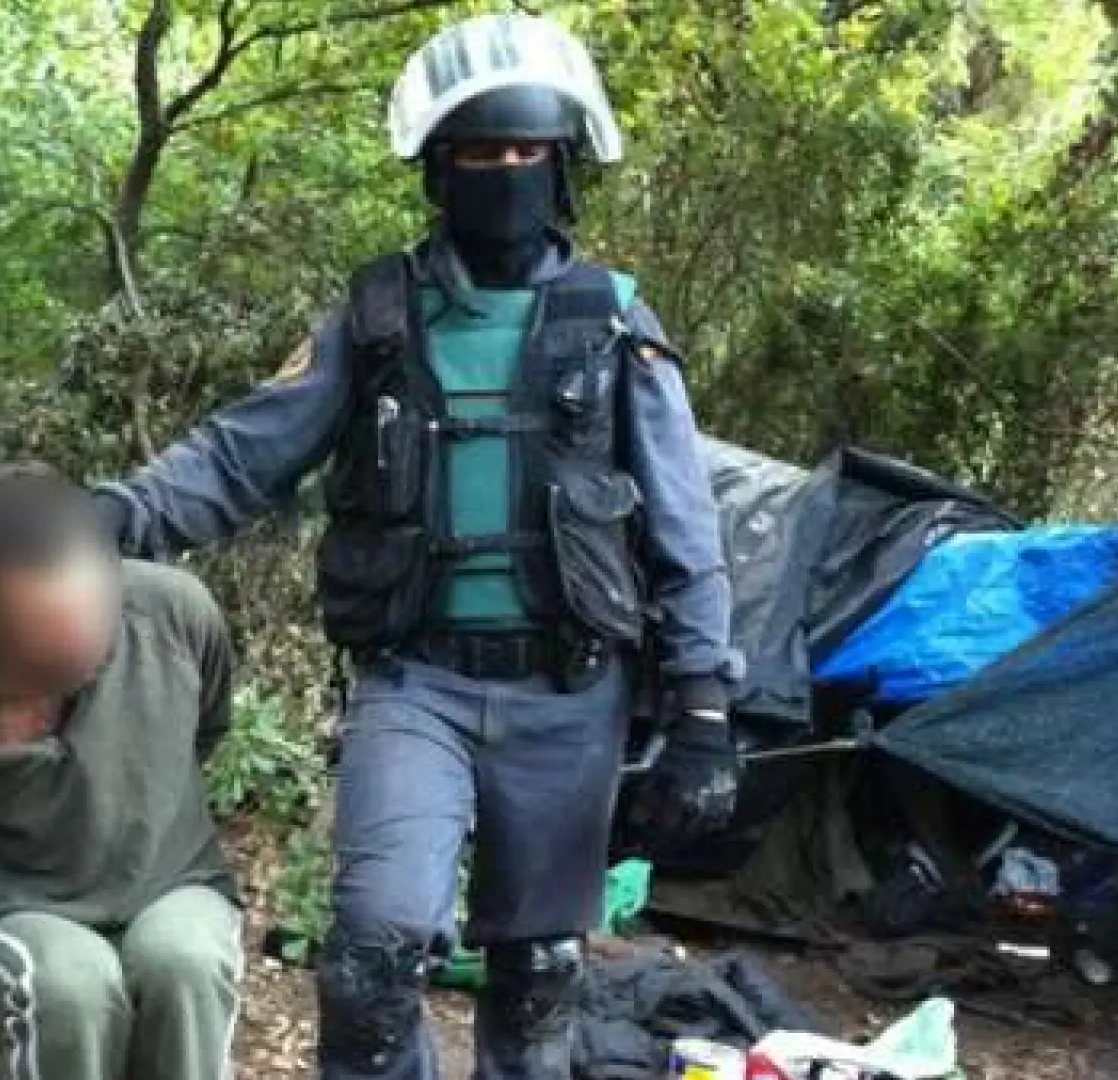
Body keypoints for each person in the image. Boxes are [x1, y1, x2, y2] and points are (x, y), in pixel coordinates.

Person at [93, 13, 745, 1080]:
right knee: (373, 947)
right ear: (438, 169)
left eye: (526, 150)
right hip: (415, 685)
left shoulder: (615, 323)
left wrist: (704, 709)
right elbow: (245, 451)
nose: (505, 172)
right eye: (479, 152)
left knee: (539, 975)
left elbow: (686, 526)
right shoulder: (378, 315)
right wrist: (110, 517)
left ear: (563, 164)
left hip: (569, 691)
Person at [0, 462, 245, 1080]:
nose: (78, 656)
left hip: (172, 879)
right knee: (69, 989)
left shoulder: (174, 613)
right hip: (23, 906)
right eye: (42, 649)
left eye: (92, 631)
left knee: (187, 963)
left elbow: (206, 727)